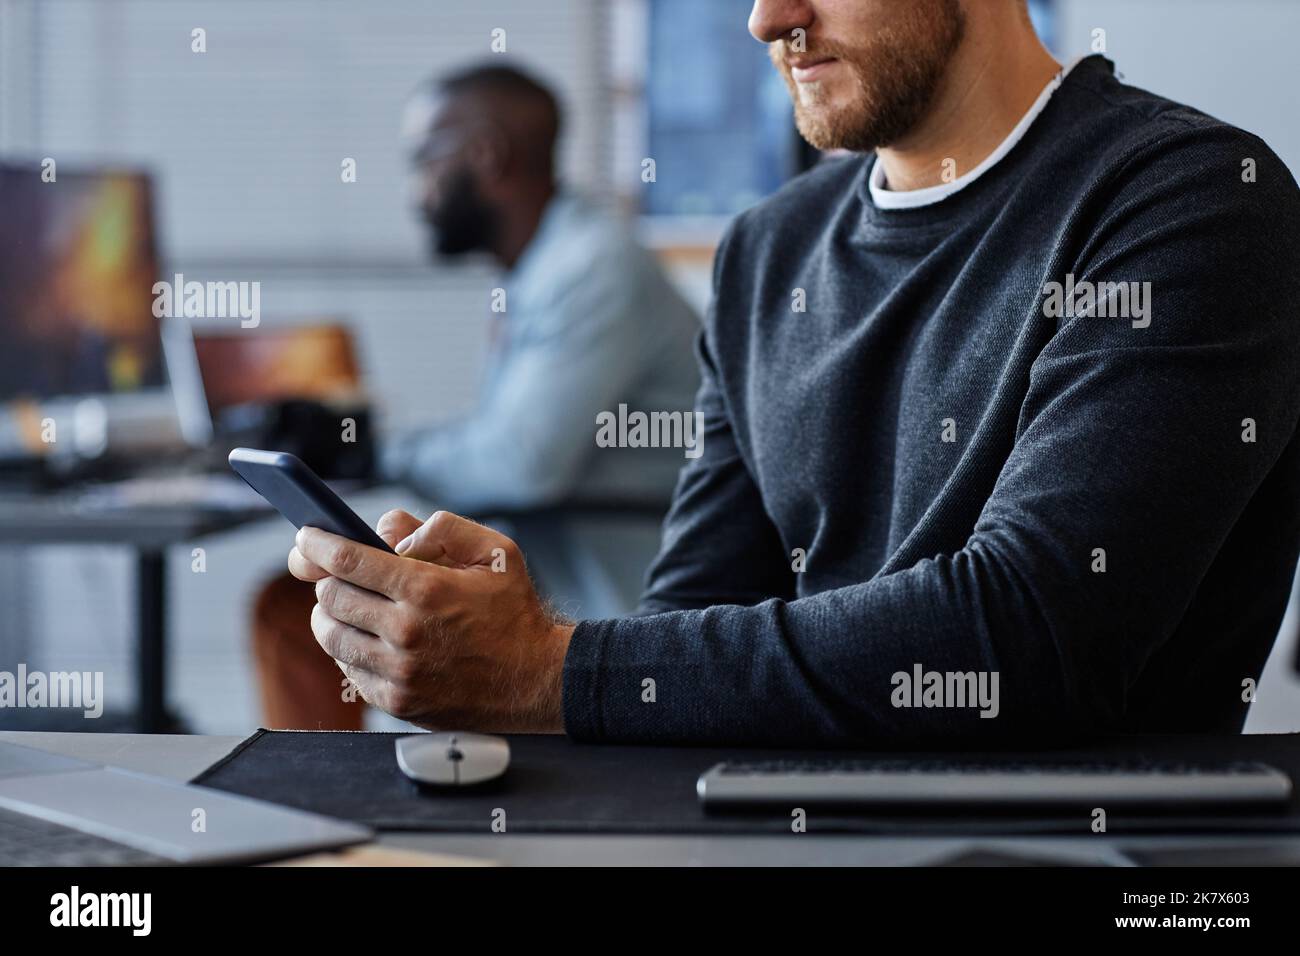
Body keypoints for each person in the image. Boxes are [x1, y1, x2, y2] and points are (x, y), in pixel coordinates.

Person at [284, 0, 1300, 744]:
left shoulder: (1193, 203)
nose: (770, 19)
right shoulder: (769, 250)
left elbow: (1031, 636)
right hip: (771, 817)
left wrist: (545, 667)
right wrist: (493, 640)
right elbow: (690, 606)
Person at [253, 64, 700, 730]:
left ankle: (327, 803)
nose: (413, 192)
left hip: (610, 582)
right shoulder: (544, 268)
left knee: (303, 608)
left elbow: (524, 461)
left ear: (486, 155)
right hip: (556, 549)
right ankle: (328, 801)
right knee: (298, 602)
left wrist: (375, 450)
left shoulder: (590, 267)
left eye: (422, 161)